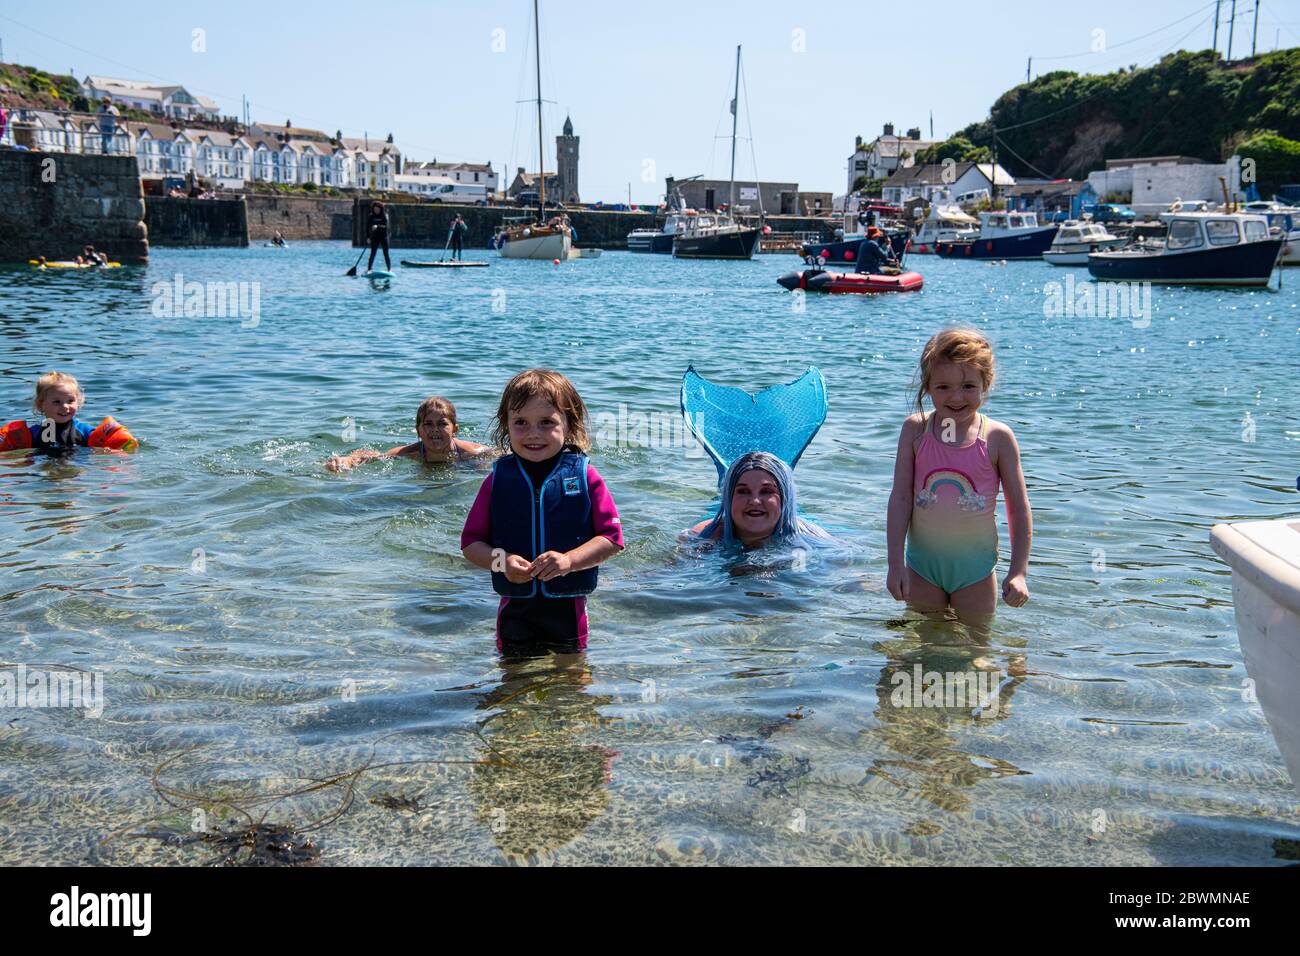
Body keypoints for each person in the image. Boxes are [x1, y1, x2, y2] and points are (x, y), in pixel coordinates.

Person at [460, 369, 624, 656]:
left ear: (570, 425)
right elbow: (471, 544)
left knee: (572, 681)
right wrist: (502, 562)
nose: (533, 433)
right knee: (511, 679)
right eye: (521, 422)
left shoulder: (585, 477)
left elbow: (611, 538)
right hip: (514, 611)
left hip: (568, 611)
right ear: (506, 425)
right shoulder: (497, 481)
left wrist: (569, 561)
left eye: (547, 422)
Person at [886, 328, 1031, 620]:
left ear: (985, 383)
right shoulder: (915, 431)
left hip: (974, 571)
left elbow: (1018, 507)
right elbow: (900, 498)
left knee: (976, 650)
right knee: (924, 647)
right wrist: (894, 565)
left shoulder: (997, 438)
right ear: (927, 387)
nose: (956, 397)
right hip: (922, 567)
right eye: (943, 387)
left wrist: (1018, 572)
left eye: (968, 386)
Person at [689, 450, 828, 549]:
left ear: (785, 499)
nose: (755, 501)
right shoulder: (702, 536)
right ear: (729, 499)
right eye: (743, 491)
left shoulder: (813, 537)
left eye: (767, 491)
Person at [325, 396, 493, 471]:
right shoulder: (410, 453)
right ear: (418, 431)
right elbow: (371, 456)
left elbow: (499, 453)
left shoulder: (471, 453)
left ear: (455, 429)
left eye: (442, 424)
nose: (435, 429)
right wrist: (346, 460)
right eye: (428, 424)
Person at [0, 371, 137, 454]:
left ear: (79, 402)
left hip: (76, 471)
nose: (65, 407)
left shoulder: (85, 432)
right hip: (41, 474)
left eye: (70, 401)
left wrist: (112, 451)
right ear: (40, 404)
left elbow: (106, 450)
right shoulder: (32, 434)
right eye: (56, 402)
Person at [366, 201, 391, 272]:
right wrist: (368, 237)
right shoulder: (371, 216)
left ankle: (389, 269)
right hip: (374, 237)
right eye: (374, 209)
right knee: (372, 253)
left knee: (386, 254)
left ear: (381, 209)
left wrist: (378, 226)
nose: (376, 210)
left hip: (384, 237)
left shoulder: (384, 216)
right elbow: (367, 227)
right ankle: (369, 269)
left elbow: (386, 227)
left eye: (377, 209)